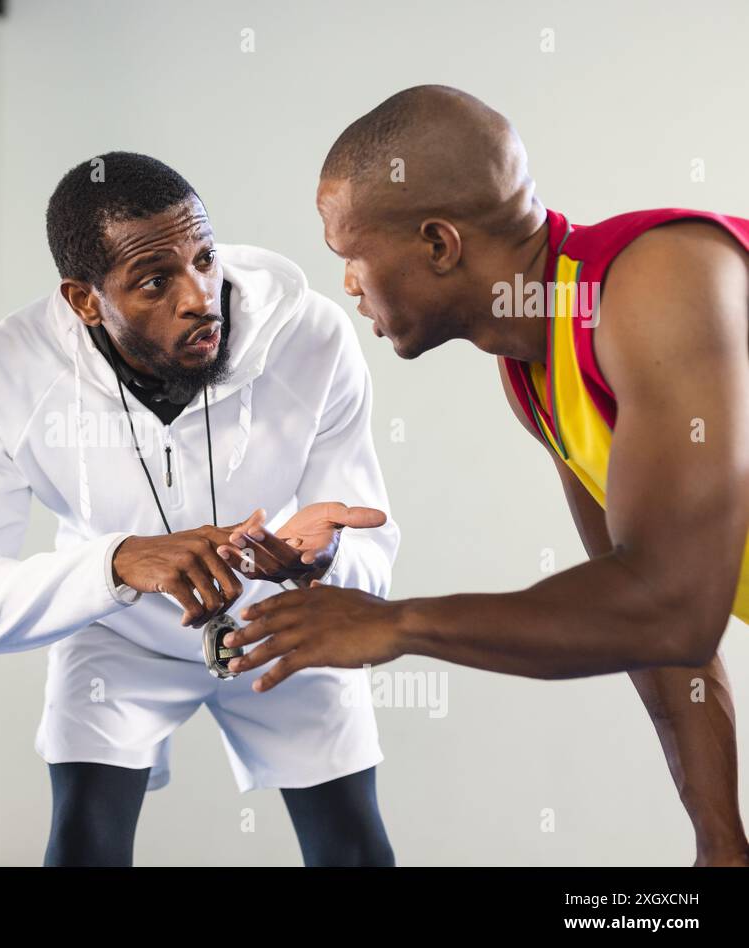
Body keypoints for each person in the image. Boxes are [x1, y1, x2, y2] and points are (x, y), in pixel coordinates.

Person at [223, 85, 749, 865]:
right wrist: (719, 841)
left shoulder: (658, 280)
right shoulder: (535, 368)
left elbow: (670, 608)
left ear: (439, 244)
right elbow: (641, 616)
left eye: (351, 255)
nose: (348, 285)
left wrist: (397, 622)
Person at [0, 152, 399, 866]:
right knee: (83, 840)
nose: (198, 296)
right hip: (116, 629)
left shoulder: (313, 337)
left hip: (280, 616)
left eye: (204, 258)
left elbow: (370, 569)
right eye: (156, 281)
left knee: (354, 848)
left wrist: (323, 558)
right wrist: (115, 561)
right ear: (85, 301)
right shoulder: (10, 372)